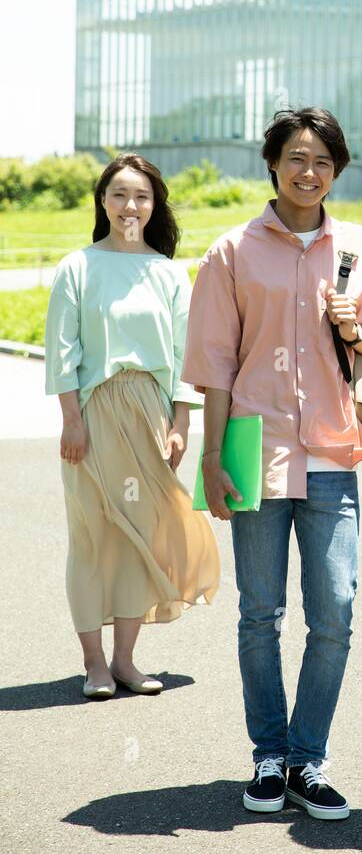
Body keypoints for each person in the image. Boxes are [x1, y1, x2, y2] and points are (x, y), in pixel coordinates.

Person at [182, 107, 362, 819]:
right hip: (253, 442)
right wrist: (213, 457)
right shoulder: (232, 251)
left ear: (338, 170)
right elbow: (214, 365)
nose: (309, 172)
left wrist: (357, 328)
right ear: (272, 163)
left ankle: (310, 761)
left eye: (323, 161)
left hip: (334, 445)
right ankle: (269, 756)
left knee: (335, 610)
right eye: (296, 158)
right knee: (259, 613)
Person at [44, 154, 220, 701]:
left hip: (150, 414)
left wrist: (181, 421)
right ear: (103, 201)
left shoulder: (168, 272)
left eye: (141, 196)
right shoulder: (78, 266)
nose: (130, 206)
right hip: (94, 413)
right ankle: (93, 664)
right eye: (119, 195)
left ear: (153, 204)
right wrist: (71, 420)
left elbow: (183, 353)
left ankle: (124, 660)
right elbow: (62, 351)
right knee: (94, 536)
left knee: (142, 535)